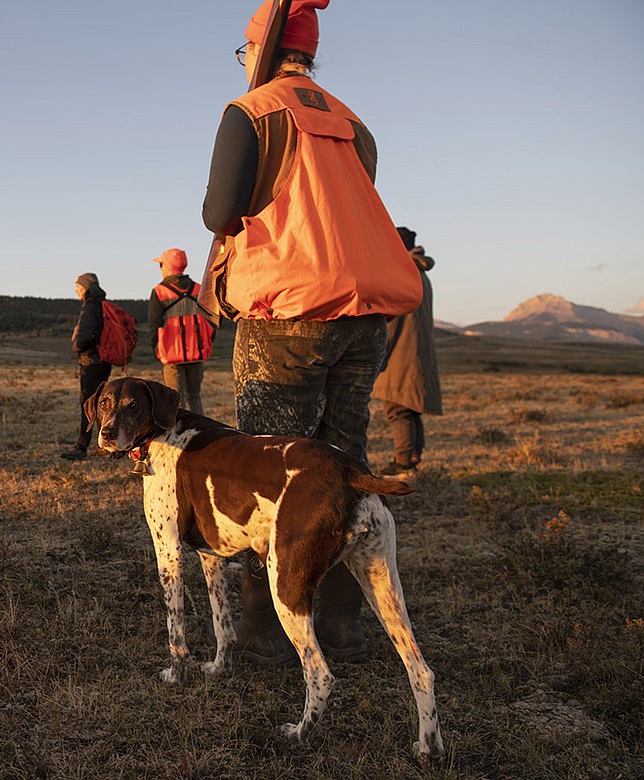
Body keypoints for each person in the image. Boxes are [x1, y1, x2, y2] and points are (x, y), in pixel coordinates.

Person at [199, 1, 424, 667]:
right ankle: (346, 624)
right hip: (364, 320)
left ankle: (270, 632)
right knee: (342, 467)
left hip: (288, 315)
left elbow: (219, 210)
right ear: (311, 53)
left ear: (257, 52)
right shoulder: (355, 124)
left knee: (272, 475)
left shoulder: (253, 112)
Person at [372, 227, 442, 482]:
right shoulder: (422, 273)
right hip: (416, 351)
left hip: (400, 351)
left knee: (398, 408)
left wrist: (377, 352)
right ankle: (413, 457)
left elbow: (392, 319)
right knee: (411, 407)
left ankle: (402, 462)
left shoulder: (403, 270)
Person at [147, 248, 215, 415]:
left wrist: (157, 348)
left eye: (161, 264)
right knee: (194, 396)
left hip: (171, 355)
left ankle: (180, 435)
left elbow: (154, 324)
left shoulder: (159, 292)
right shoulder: (199, 289)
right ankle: (200, 433)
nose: (160, 268)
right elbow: (212, 320)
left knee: (175, 398)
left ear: (167, 267)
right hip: (198, 352)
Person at [61, 272, 112, 460]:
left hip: (92, 361)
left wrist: (77, 345)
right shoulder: (101, 304)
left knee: (88, 405)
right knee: (99, 404)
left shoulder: (90, 306)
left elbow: (84, 336)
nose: (76, 291)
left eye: (78, 287)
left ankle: (81, 447)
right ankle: (106, 445)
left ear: (86, 287)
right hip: (103, 361)